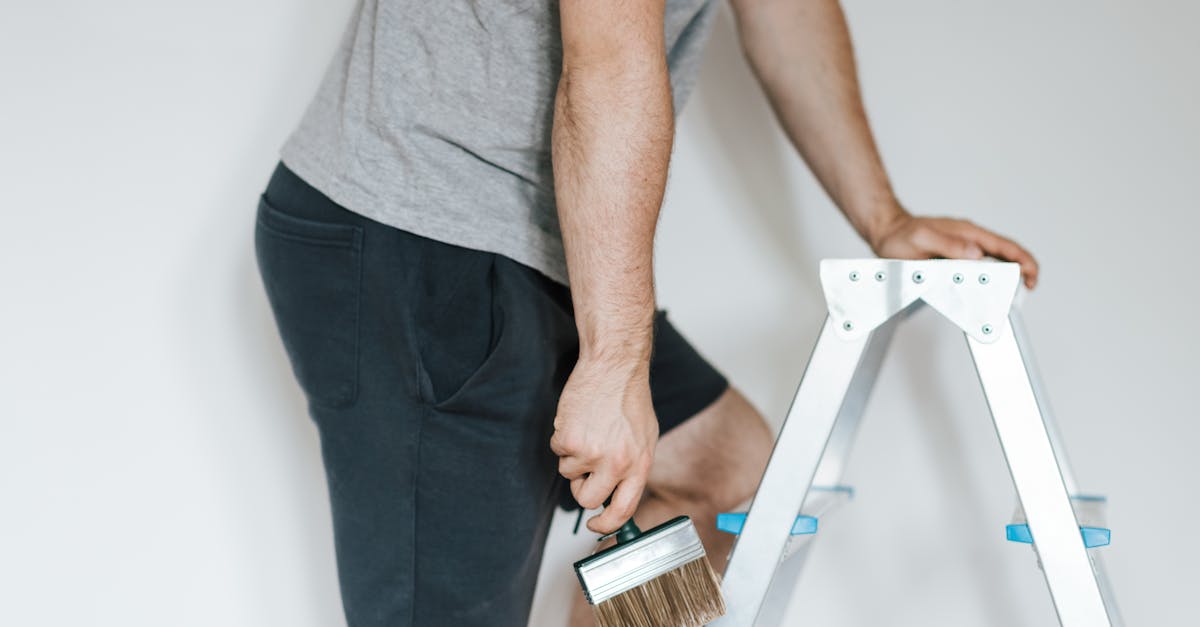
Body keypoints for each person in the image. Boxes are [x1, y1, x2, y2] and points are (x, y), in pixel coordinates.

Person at [253, 0, 1039, 625]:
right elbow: (607, 67)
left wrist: (884, 217)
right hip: (417, 226)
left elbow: (784, 8)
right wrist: (613, 362)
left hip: (550, 238)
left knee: (726, 482)